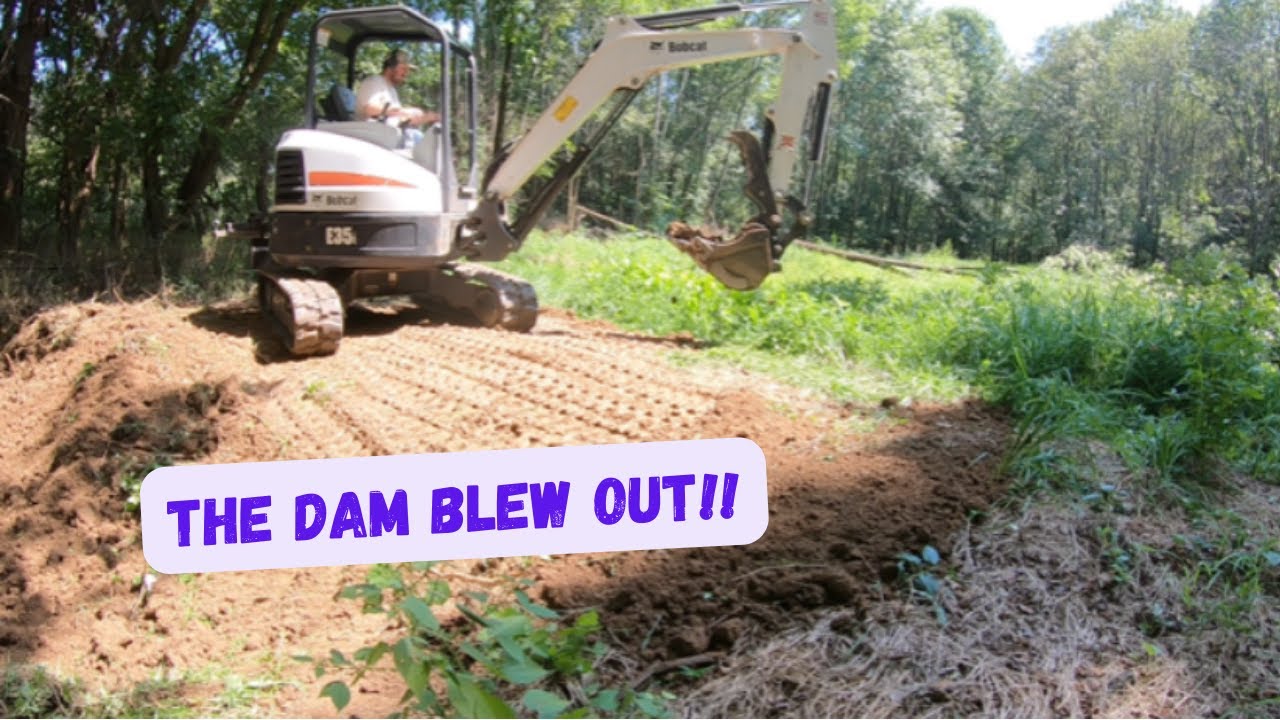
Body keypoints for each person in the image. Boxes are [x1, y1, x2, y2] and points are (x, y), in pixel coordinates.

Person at [355, 49, 440, 132]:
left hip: (386, 135)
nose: (406, 73)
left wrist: (425, 117)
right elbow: (369, 109)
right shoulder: (374, 81)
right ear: (391, 67)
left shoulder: (392, 90)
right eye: (403, 68)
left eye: (408, 70)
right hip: (368, 136)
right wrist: (403, 111)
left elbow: (397, 119)